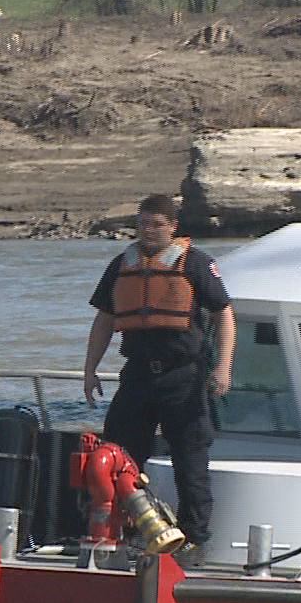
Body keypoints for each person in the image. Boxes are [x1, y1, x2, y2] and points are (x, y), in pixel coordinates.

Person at [82, 194, 235, 569]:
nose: (149, 231)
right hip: (137, 375)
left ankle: (194, 541)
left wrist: (223, 369)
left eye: (157, 225)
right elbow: (104, 320)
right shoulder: (122, 265)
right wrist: (89, 369)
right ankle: (125, 533)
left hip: (184, 375)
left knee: (191, 462)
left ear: (173, 227)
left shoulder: (196, 264)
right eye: (143, 224)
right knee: (118, 457)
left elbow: (224, 314)